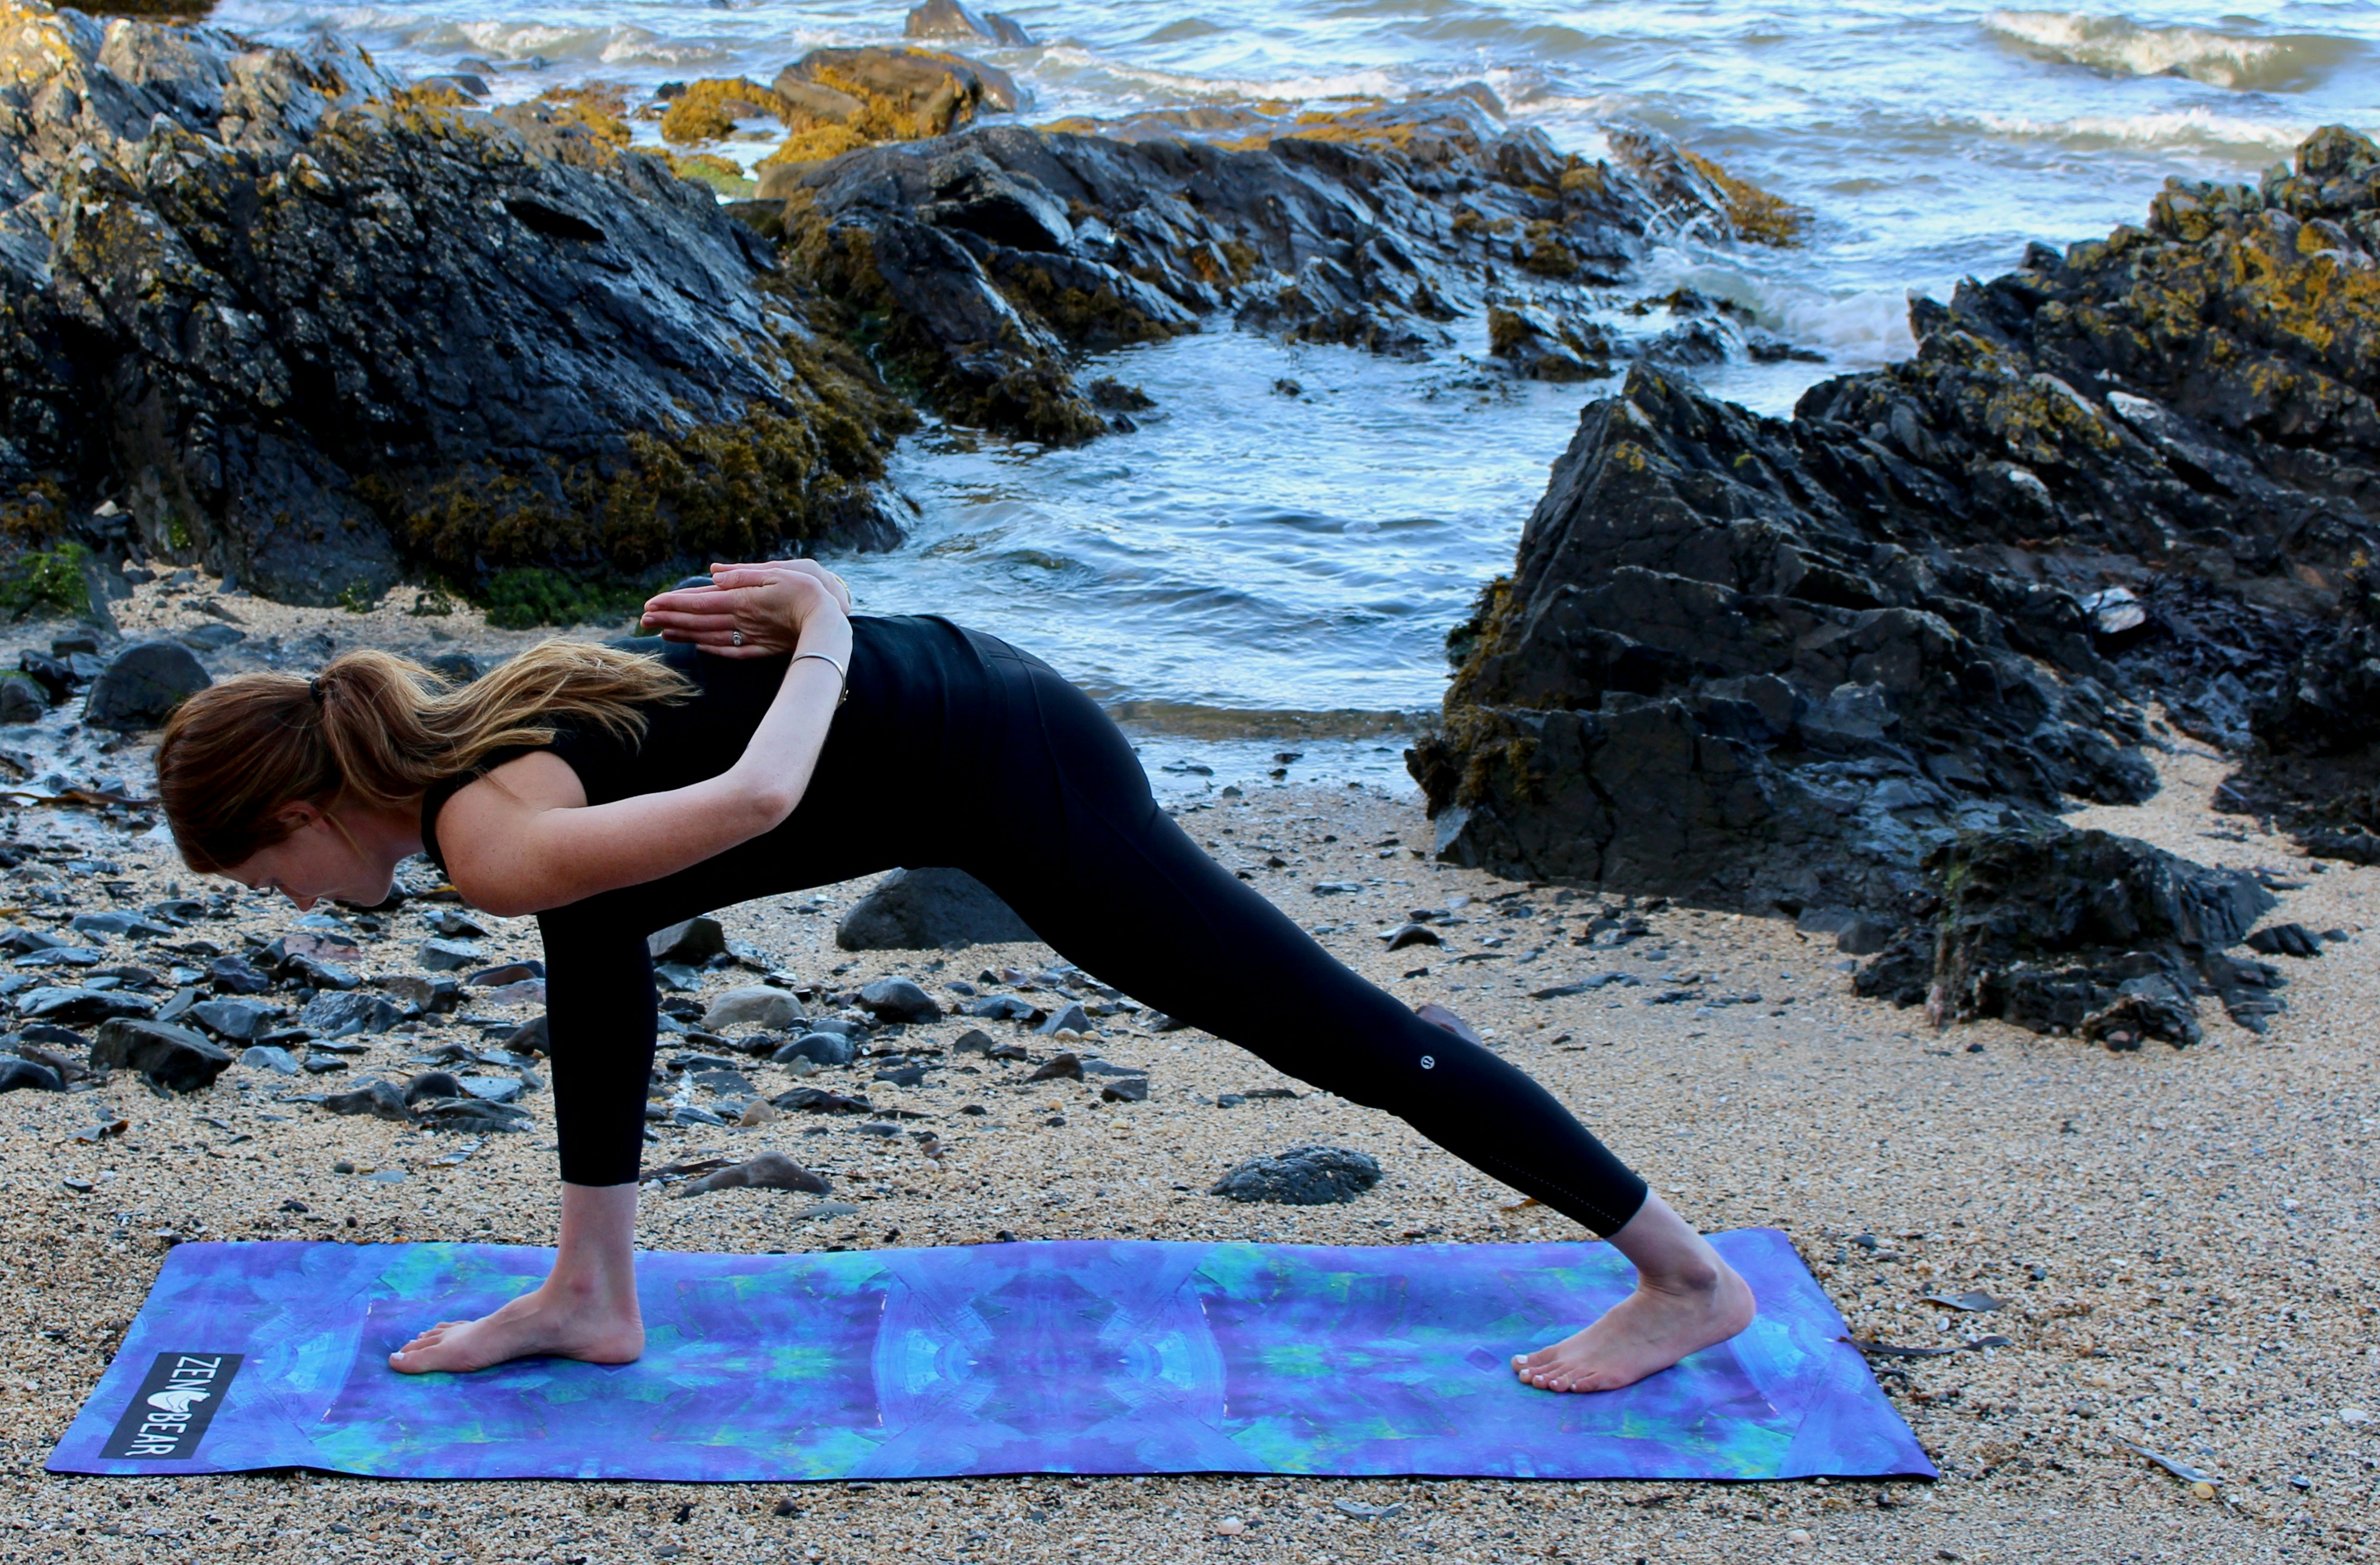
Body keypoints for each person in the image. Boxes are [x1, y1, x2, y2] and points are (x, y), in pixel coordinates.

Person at [154, 559, 1755, 1394]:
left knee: (1329, 1034)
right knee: (595, 938)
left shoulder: (491, 831)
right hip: (960, 705)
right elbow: (649, 883)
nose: (289, 901)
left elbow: (762, 801)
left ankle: (1685, 1279)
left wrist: (827, 623)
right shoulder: (471, 752)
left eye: (262, 874)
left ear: (297, 812)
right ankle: (592, 1289)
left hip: (1008, 757)